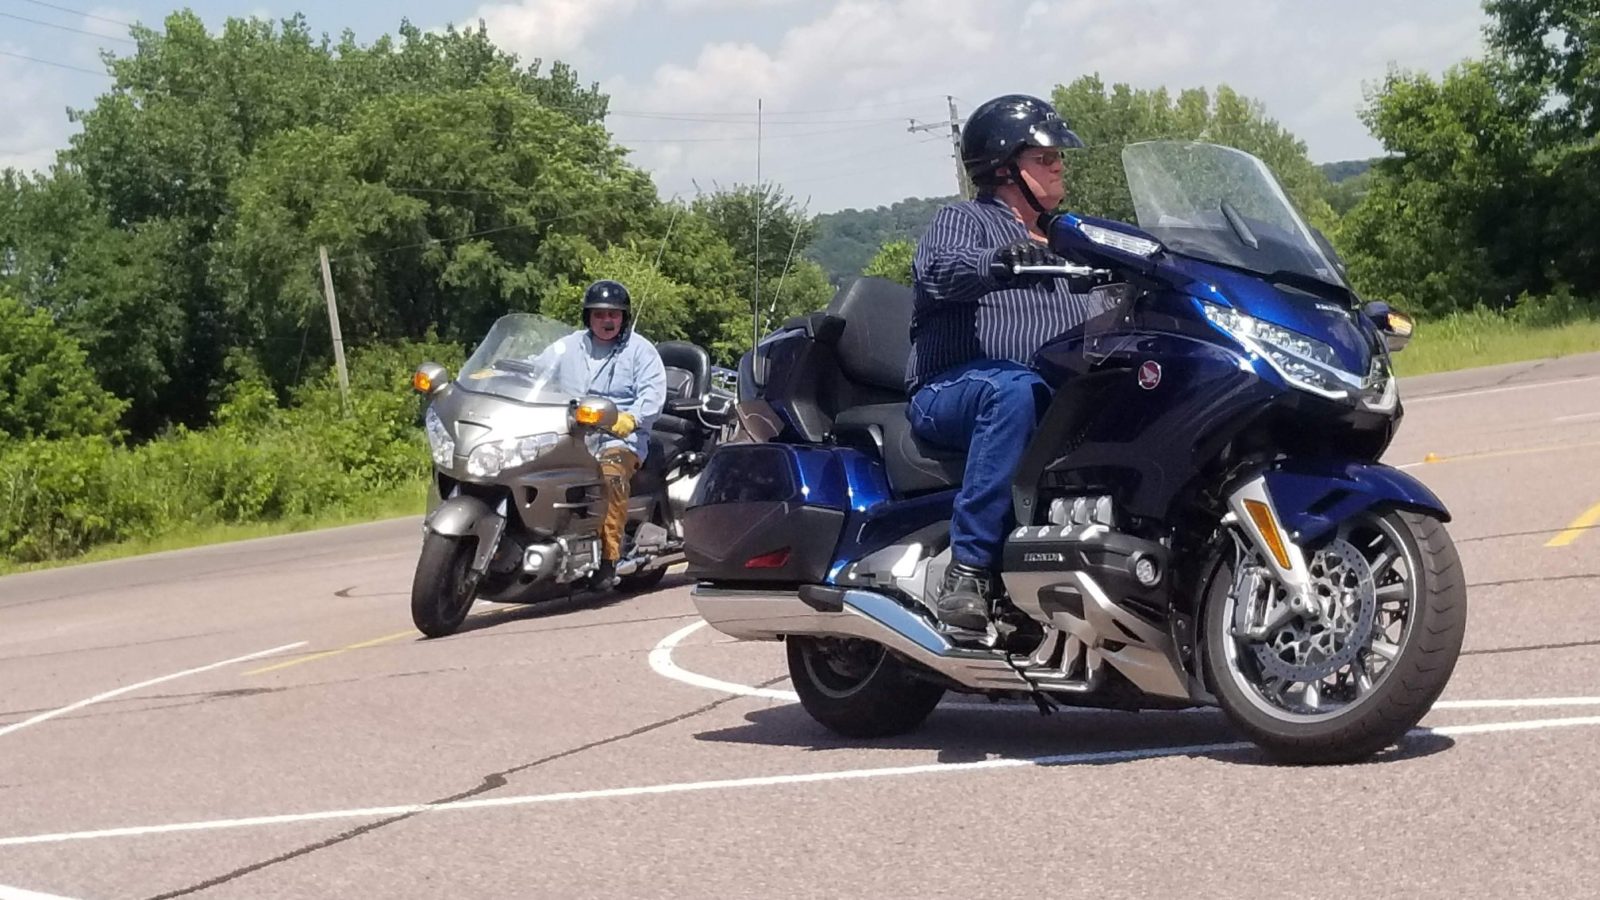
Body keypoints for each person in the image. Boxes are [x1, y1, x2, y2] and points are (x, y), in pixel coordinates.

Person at [905, 93, 1104, 632]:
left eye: (1057, 156)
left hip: (1056, 394)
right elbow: (939, 270)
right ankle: (968, 570)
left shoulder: (1074, 243)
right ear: (1003, 168)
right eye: (1044, 157)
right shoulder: (966, 221)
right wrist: (995, 262)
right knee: (1013, 389)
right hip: (954, 390)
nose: (1059, 163)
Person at [540, 280, 666, 589]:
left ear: (623, 317)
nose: (607, 321)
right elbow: (536, 369)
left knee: (610, 473)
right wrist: (499, 375)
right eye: (599, 315)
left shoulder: (640, 350)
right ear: (588, 317)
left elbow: (653, 394)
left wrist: (632, 418)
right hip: (569, 434)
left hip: (619, 438)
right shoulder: (568, 345)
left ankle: (610, 559)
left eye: (614, 315)